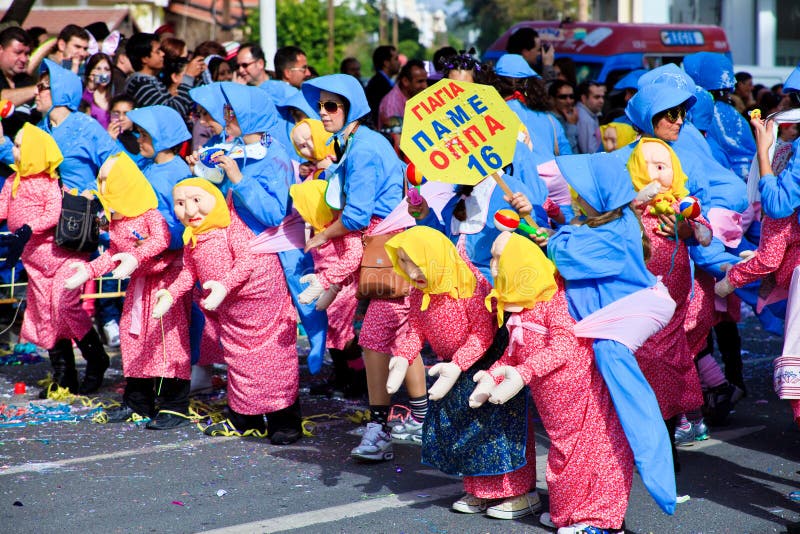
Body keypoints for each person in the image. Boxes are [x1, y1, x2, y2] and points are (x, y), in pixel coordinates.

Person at [301, 74, 428, 458]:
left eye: (331, 106)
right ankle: (413, 420)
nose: (322, 113)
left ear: (351, 108)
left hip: (386, 252)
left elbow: (357, 217)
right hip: (384, 251)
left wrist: (324, 236)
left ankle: (383, 427)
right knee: (398, 339)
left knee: (377, 338)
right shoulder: (354, 143)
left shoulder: (363, 148)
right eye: (320, 105)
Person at [471, 231, 633, 531]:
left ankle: (600, 522)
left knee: (592, 455)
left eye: (499, 258)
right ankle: (571, 514)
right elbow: (514, 353)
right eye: (492, 258)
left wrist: (522, 374)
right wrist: (491, 376)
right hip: (555, 407)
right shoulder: (520, 301)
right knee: (564, 457)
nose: (492, 266)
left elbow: (564, 346)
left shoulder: (554, 298)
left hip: (582, 397)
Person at [547, 152, 678, 515]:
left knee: (625, 400)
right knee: (599, 407)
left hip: (621, 320)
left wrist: (557, 232)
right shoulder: (607, 222)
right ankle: (584, 500)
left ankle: (656, 475)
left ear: (600, 199)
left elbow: (562, 255)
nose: (573, 196)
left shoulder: (614, 233)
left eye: (580, 192)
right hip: (607, 319)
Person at [152, 178, 301, 443]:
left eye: (196, 200)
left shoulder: (231, 226)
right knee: (238, 361)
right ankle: (245, 417)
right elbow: (189, 272)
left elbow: (247, 260)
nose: (189, 210)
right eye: (180, 203)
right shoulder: (192, 238)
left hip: (261, 305)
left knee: (275, 360)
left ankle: (285, 420)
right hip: (231, 312)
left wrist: (224, 286)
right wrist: (170, 294)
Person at [66, 153, 192, 429]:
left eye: (106, 179)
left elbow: (162, 239)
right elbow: (113, 253)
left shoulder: (149, 213)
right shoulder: (118, 219)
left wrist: (137, 257)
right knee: (135, 339)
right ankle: (138, 400)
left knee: (167, 342)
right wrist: (87, 271)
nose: (101, 183)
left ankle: (174, 404)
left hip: (162, 286)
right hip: (139, 286)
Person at [1, 124, 109, 397]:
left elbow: (53, 212)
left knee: (66, 308)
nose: (13, 151)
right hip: (35, 264)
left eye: (19, 146)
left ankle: (96, 359)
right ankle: (64, 375)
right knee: (47, 316)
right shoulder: (13, 182)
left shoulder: (48, 181)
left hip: (61, 258)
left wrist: (28, 228)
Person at [124, 32, 203, 116]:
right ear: (144, 59)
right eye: (157, 51)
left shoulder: (150, 80)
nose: (163, 54)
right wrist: (188, 77)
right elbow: (172, 114)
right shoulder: (141, 84)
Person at [0, 26, 39, 142]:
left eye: (27, 54)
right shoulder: (34, 87)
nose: (24, 59)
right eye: (18, 52)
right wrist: (37, 88)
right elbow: (2, 99)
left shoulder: (27, 81)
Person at [377, 59, 427, 143]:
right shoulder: (391, 103)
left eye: (426, 81)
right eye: (420, 81)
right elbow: (397, 141)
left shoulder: (417, 97)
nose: (425, 86)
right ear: (405, 81)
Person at [364, 45, 400, 124]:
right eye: (396, 59)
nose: (399, 62)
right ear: (386, 63)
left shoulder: (382, 82)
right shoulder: (379, 85)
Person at [81, 53, 114, 129]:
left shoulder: (113, 96)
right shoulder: (84, 94)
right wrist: (91, 85)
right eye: (98, 69)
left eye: (107, 69)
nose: (103, 73)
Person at [549, 80, 579, 153]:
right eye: (563, 97)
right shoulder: (549, 120)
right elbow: (567, 150)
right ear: (552, 99)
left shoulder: (572, 115)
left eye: (571, 96)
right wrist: (571, 125)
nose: (569, 101)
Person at [575, 80, 605, 154]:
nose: (602, 101)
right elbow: (590, 152)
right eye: (597, 97)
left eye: (602, 97)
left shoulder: (590, 114)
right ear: (584, 98)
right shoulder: (585, 119)